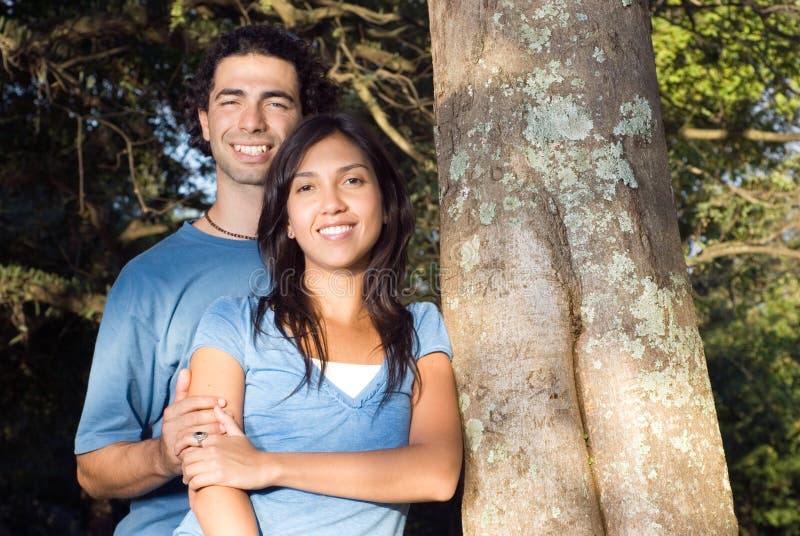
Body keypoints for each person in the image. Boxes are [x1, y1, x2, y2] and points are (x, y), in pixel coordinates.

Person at [74, 25, 339, 535]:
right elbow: (93, 470)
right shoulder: (149, 279)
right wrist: (164, 453)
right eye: (231, 100)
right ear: (204, 119)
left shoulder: (346, 263)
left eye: (276, 103)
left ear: (307, 120)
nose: (252, 122)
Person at [171, 113, 463, 536]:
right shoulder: (232, 323)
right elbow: (209, 470)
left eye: (353, 181)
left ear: (385, 206)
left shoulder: (420, 332)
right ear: (287, 219)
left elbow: (436, 474)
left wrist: (266, 466)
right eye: (306, 187)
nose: (332, 203)